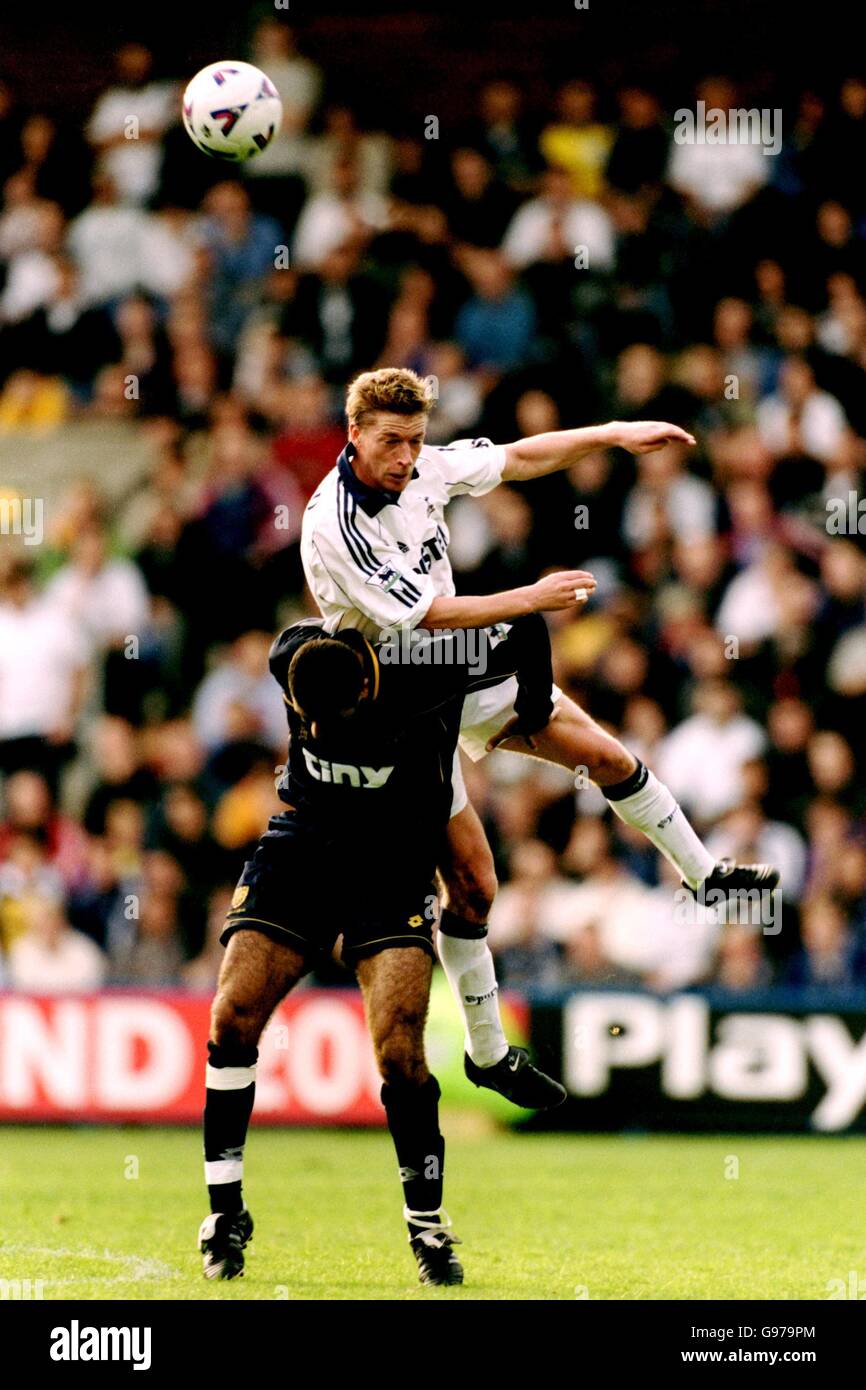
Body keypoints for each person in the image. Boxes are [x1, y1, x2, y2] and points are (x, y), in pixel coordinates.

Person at [300, 367, 780, 1089]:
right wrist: (530, 597)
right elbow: (426, 614)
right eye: (391, 442)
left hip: (454, 666)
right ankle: (489, 1054)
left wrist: (614, 435)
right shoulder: (335, 522)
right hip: (391, 700)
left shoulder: (427, 468)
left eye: (415, 440)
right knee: (474, 888)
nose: (405, 457)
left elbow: (519, 457)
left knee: (609, 757)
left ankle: (705, 877)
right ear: (355, 435)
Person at [199, 610, 563, 1287]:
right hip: (303, 845)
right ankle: (224, 1213)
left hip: (394, 858)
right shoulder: (292, 652)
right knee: (231, 1015)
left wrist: (536, 706)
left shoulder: (433, 670)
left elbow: (525, 629)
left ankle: (427, 1227)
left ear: (367, 694)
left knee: (398, 1048)